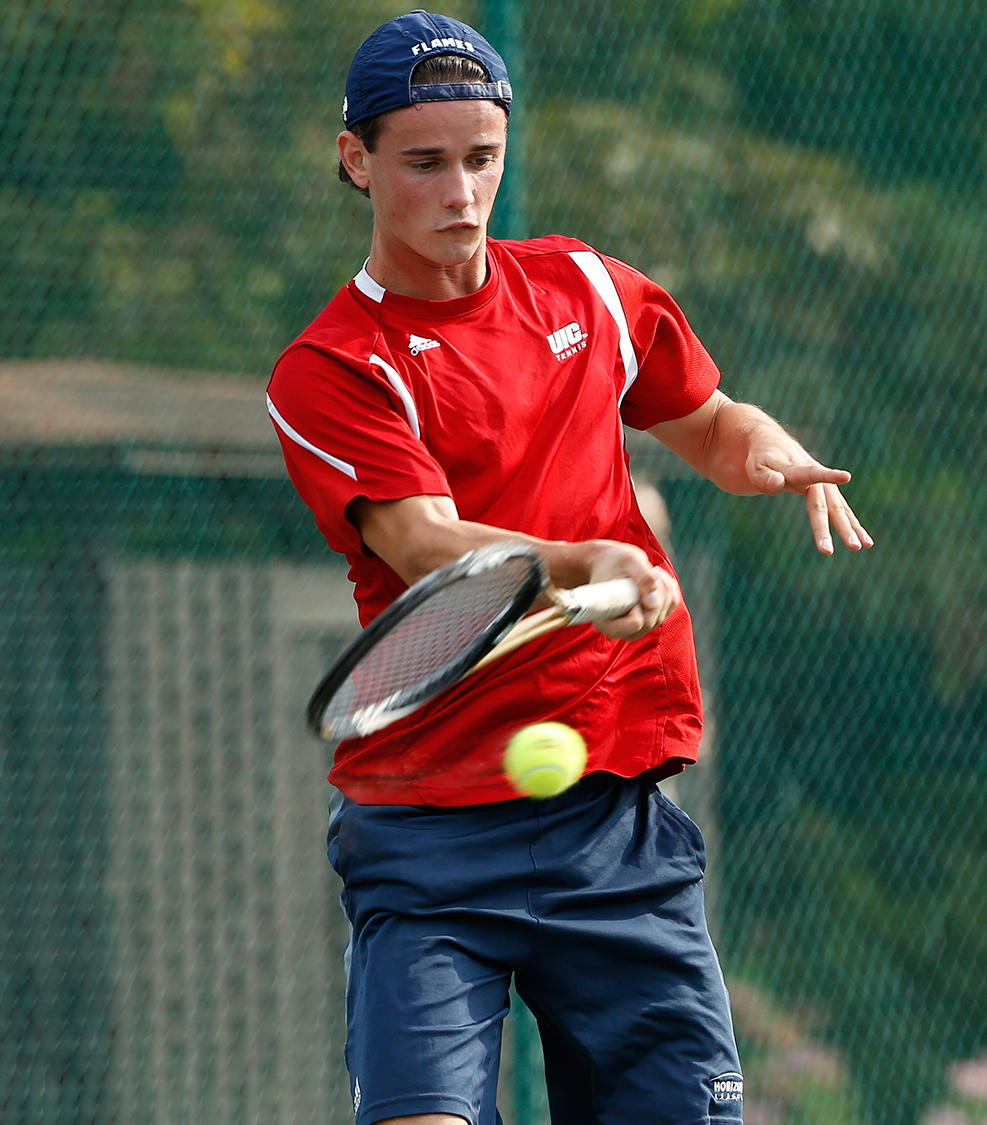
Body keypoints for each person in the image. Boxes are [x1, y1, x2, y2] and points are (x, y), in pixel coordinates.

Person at [265, 11, 871, 1125]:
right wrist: (576, 560)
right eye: (425, 163)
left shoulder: (586, 289)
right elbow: (420, 543)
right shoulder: (332, 368)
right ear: (356, 160)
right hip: (427, 832)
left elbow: (710, 422)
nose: (460, 192)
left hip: (613, 826)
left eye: (482, 159)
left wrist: (767, 453)